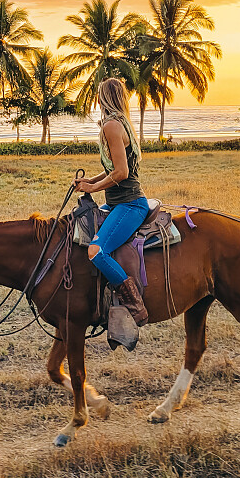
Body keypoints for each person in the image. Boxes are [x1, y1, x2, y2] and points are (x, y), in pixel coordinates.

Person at [74, 78, 149, 326]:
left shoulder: (112, 126)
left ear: (101, 98)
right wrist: (89, 183)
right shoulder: (121, 122)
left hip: (130, 204)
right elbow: (114, 169)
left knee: (96, 251)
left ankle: (134, 304)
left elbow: (122, 173)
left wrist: (94, 187)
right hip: (118, 203)